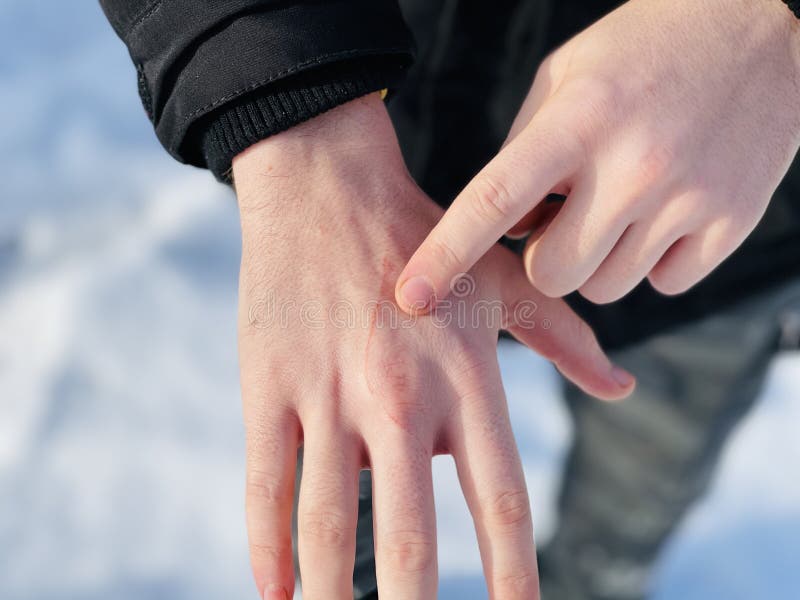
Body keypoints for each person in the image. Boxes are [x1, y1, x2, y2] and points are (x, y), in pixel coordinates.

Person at [99, 1, 800, 599]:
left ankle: (595, 578)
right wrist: (290, 109)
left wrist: (768, 27)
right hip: (363, 167)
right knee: (346, 506)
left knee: (641, 477)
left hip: (720, 209)